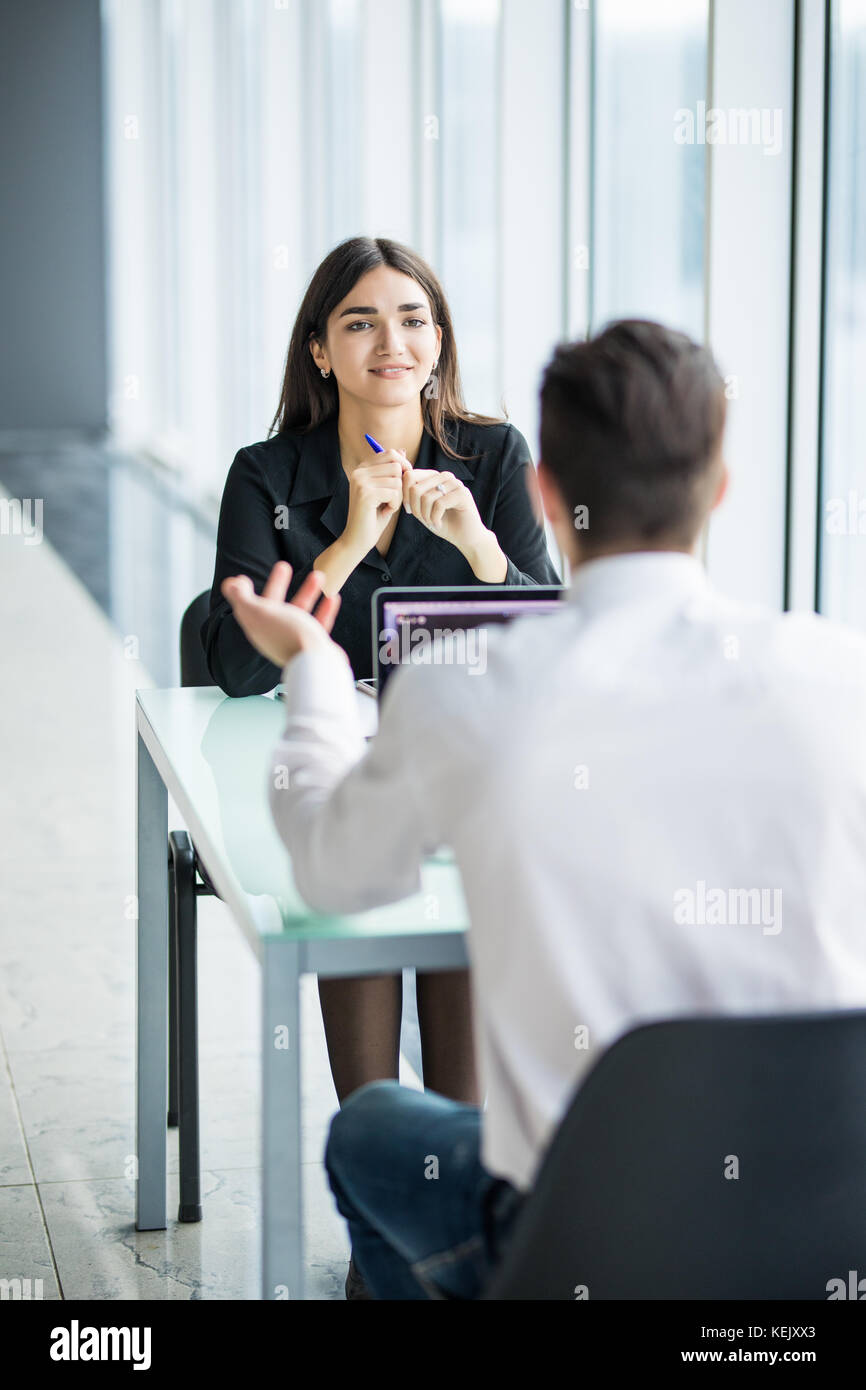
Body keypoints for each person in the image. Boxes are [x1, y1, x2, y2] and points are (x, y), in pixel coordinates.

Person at [220, 319, 866, 1299]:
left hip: (583, 1244)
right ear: (720, 489)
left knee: (372, 1128)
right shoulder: (839, 672)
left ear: (544, 496)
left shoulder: (463, 685)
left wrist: (316, 673)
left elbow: (330, 871)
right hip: (827, 1235)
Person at [202, 235, 559, 1296]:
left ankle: (454, 1216)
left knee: (465, 928)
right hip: (337, 758)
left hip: (463, 767)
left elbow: (547, 636)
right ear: (319, 350)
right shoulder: (268, 476)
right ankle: (381, 1246)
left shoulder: (492, 456)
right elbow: (225, 660)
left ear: (439, 339)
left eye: (412, 318)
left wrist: (480, 548)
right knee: (353, 912)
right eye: (359, 321)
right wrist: (347, 544)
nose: (391, 341)